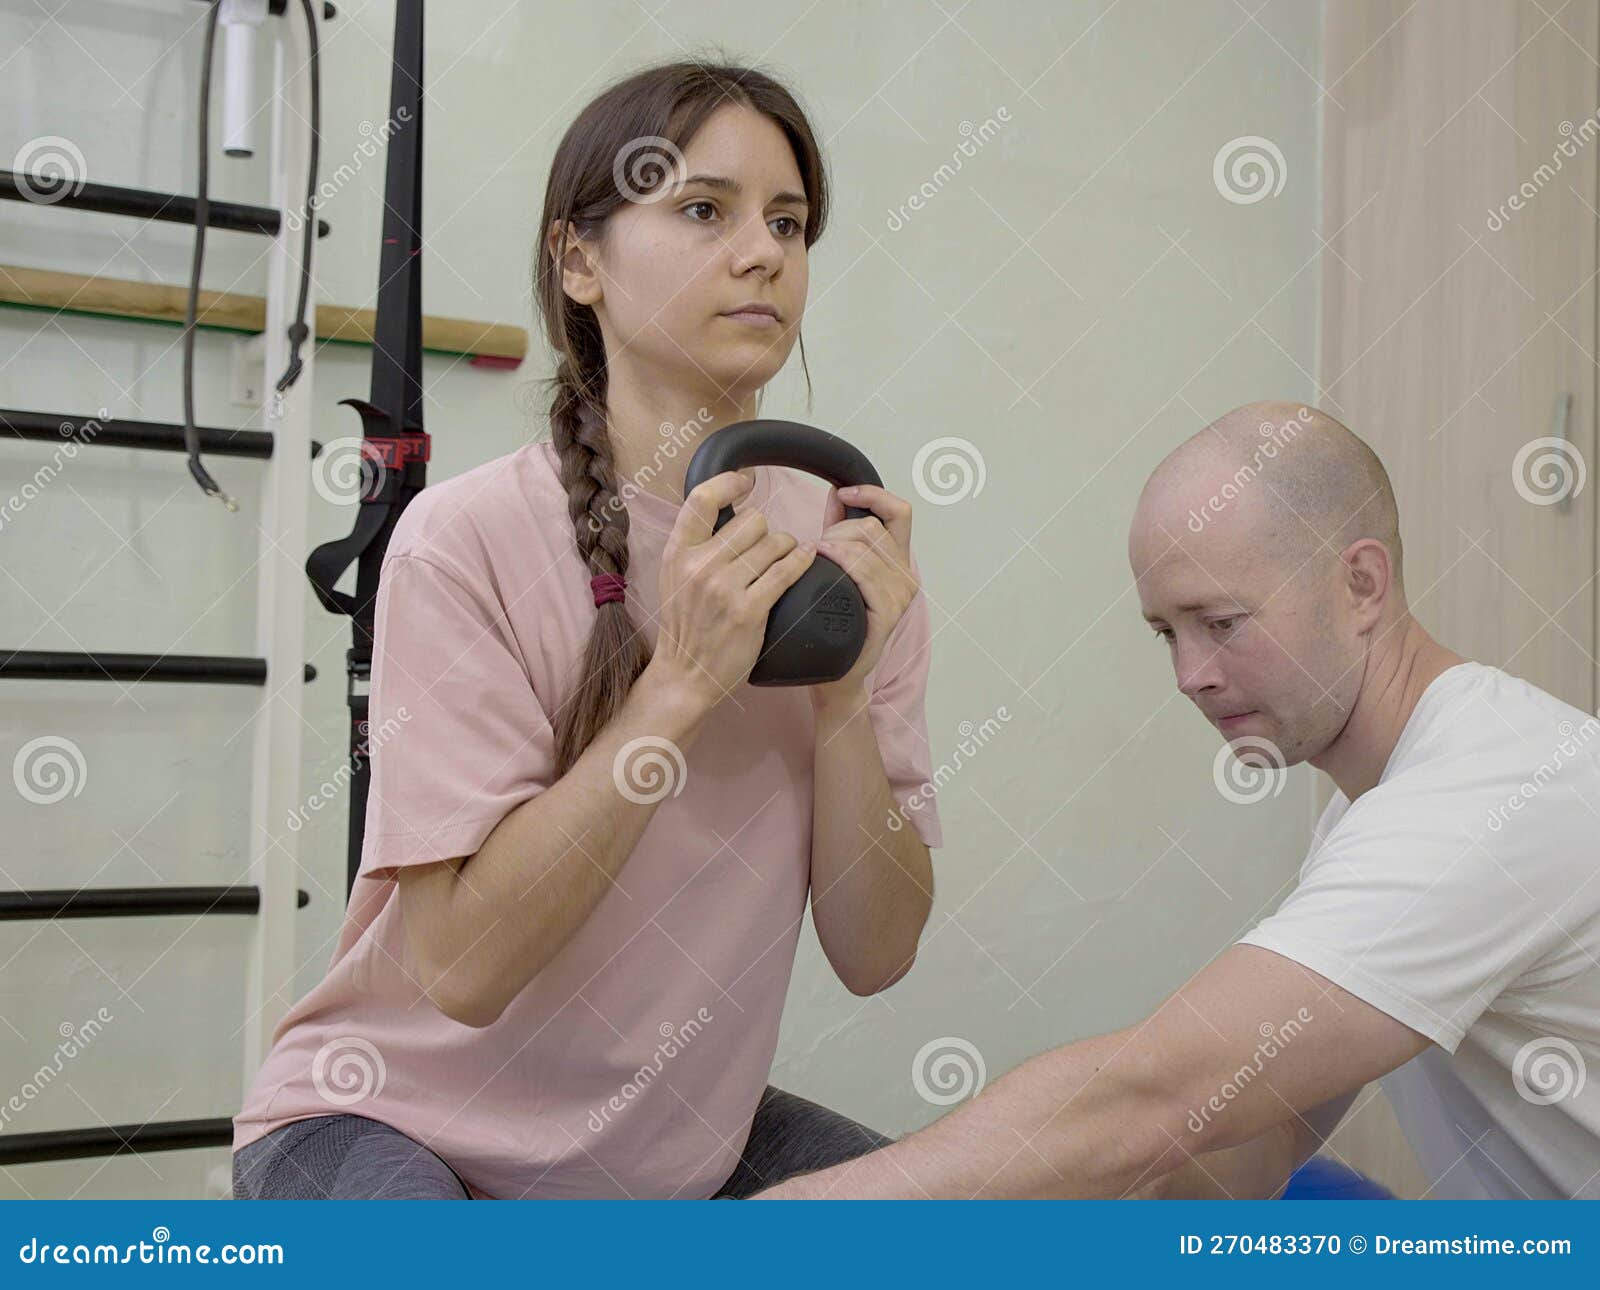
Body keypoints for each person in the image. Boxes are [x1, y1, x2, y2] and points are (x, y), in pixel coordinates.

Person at [232, 58, 943, 1200]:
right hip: (397, 1123)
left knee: (950, 1237)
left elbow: (876, 953)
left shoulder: (844, 559)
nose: (763, 252)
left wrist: (844, 690)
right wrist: (682, 688)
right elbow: (463, 969)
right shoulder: (463, 542)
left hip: (665, 1141)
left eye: (790, 221)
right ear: (578, 260)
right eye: (704, 210)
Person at [755, 401, 1600, 1200]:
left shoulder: (1486, 798)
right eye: (1167, 633)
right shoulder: (1377, 807)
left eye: (1222, 622)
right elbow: (1242, 1145)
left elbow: (1154, 1097)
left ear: (1363, 585)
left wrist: (793, 1223)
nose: (1189, 675)